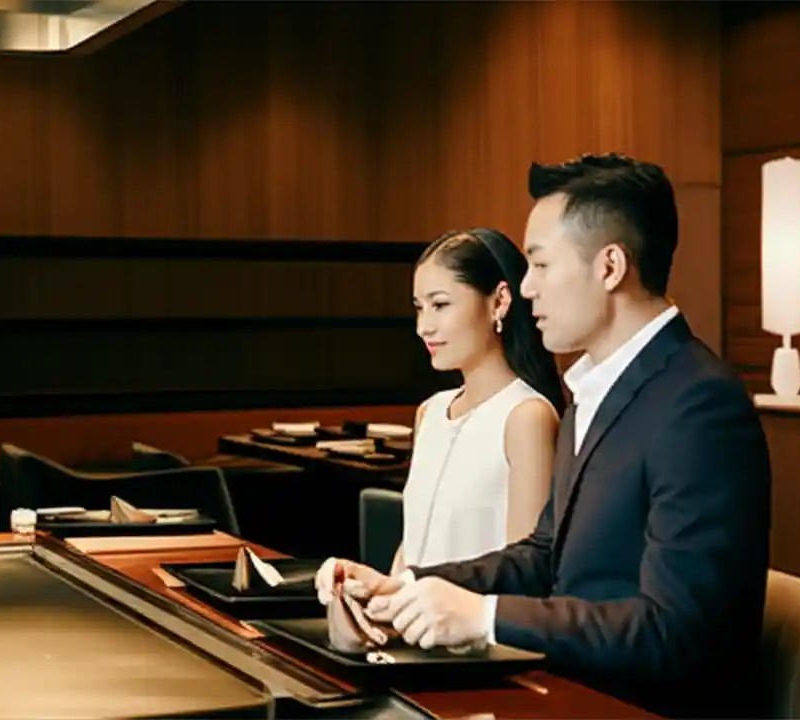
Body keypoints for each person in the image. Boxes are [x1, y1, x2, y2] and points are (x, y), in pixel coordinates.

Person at [321, 154, 771, 718]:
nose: (525, 288)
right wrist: (408, 585)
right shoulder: (593, 393)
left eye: (539, 265)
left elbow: (677, 633)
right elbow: (543, 557)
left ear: (609, 267)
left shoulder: (699, 404)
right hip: (567, 692)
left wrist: (482, 617)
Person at [317, 228, 563, 602]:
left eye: (441, 304)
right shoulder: (430, 412)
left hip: (476, 640)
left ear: (499, 301)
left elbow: (524, 575)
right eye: (419, 307)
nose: (423, 327)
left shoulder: (527, 416)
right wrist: (377, 591)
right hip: (412, 631)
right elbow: (414, 547)